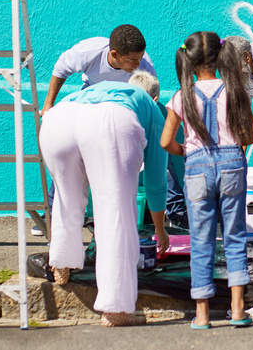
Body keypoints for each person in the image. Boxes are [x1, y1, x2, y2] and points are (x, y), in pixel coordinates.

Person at [39, 80, 170, 327]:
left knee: (66, 198)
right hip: (108, 124)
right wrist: (159, 229)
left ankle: (62, 263)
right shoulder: (153, 110)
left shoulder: (99, 91)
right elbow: (155, 180)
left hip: (57, 121)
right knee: (115, 210)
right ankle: (116, 308)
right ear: (154, 98)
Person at [160, 32, 253, 329]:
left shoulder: (181, 96)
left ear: (188, 60)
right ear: (220, 57)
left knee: (201, 240)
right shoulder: (235, 91)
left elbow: (166, 142)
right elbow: (252, 135)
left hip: (196, 168)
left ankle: (202, 313)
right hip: (232, 165)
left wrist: (187, 152)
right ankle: (238, 308)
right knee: (235, 236)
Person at [35, 25, 156, 235]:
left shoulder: (144, 65)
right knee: (72, 156)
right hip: (89, 102)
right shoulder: (88, 52)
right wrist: (48, 105)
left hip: (120, 110)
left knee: (111, 160)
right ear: (114, 54)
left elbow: (148, 97)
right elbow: (60, 70)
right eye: (132, 60)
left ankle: (105, 216)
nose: (138, 64)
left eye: (140, 59)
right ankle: (54, 213)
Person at [129, 70, 188, 229]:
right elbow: (158, 175)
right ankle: (176, 211)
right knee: (164, 166)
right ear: (155, 99)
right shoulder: (155, 118)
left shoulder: (118, 109)